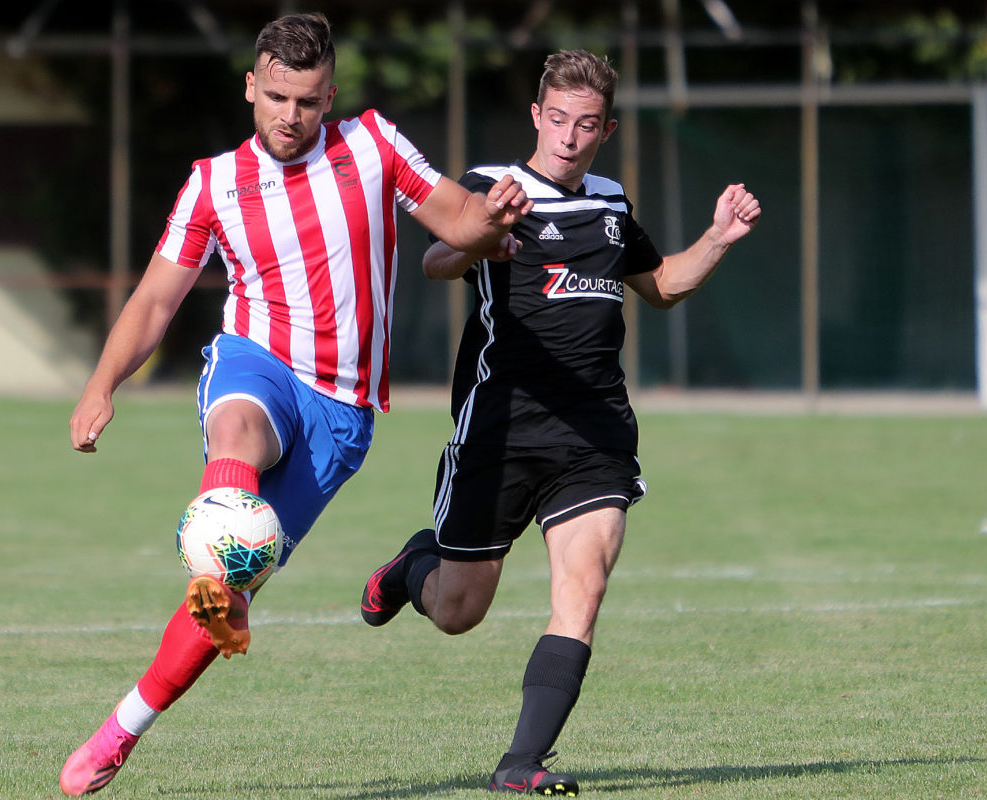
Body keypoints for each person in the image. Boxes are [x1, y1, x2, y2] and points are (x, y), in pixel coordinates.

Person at [58, 13, 531, 796]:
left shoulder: (373, 145)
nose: (290, 115)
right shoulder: (214, 182)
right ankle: (226, 578)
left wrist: (495, 219)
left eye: (308, 102)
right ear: (252, 87)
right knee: (236, 430)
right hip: (257, 361)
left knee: (224, 589)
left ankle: (123, 728)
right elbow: (153, 301)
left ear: (330, 97)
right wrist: (100, 385)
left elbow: (458, 221)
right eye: (276, 96)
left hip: (341, 415)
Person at [359, 50, 761, 795]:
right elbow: (437, 261)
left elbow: (664, 285)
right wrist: (487, 237)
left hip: (595, 431)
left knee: (584, 587)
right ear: (537, 117)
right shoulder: (492, 187)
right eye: (558, 121)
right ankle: (414, 566)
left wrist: (717, 239)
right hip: (502, 427)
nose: (570, 137)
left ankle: (519, 765)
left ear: (604, 129)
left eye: (586, 125)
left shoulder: (611, 204)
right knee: (458, 612)